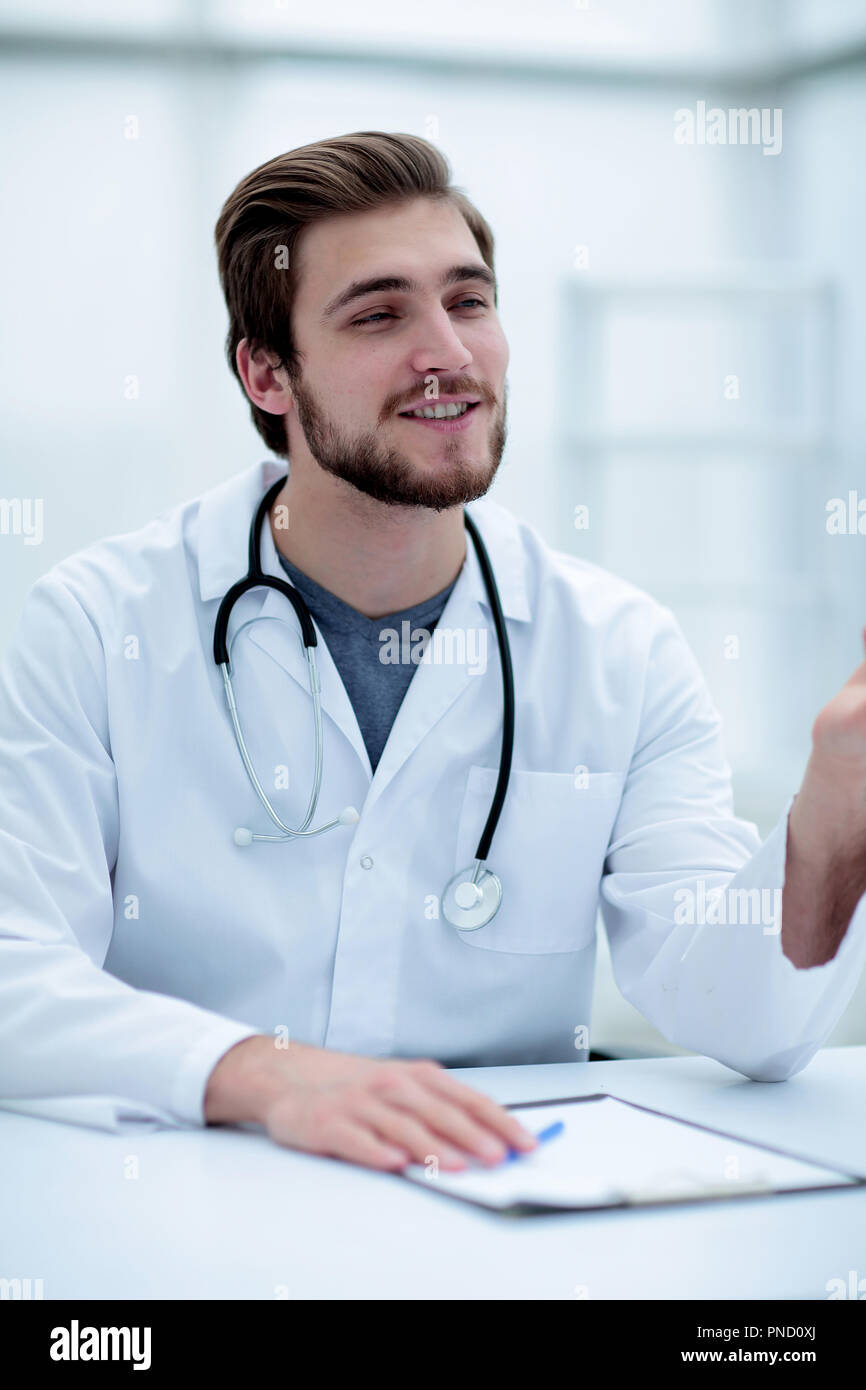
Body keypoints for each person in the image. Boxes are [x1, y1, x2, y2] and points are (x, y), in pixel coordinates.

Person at [2, 132, 866, 1175]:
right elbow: (15, 968)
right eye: (378, 314)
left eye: (468, 301)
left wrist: (828, 824)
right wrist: (261, 1073)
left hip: (499, 1207)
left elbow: (747, 1022)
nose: (448, 354)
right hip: (191, 1197)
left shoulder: (615, 647)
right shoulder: (96, 628)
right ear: (268, 373)